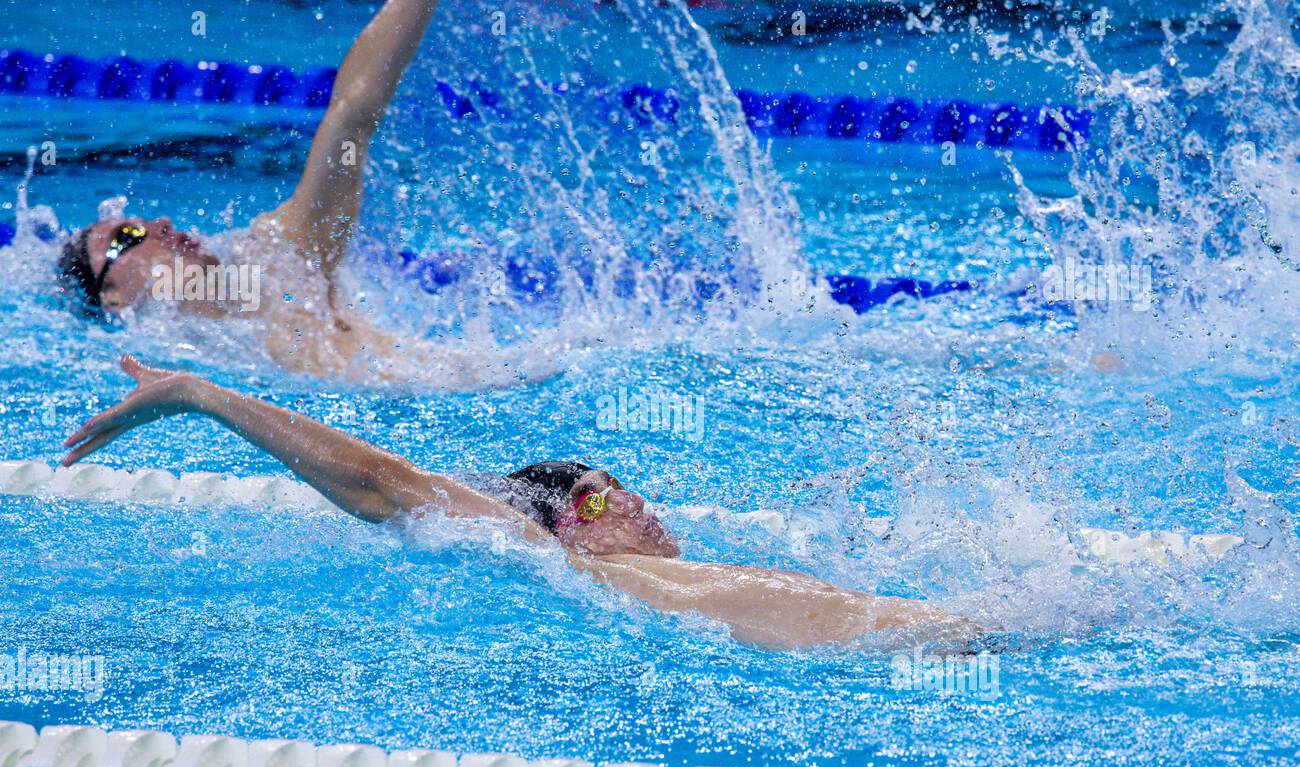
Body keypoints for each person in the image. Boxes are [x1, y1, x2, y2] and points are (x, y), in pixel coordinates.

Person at [60, 354, 978, 651]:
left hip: (914, 632)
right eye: (590, 500)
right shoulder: (546, 559)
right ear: (547, 528)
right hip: (904, 643)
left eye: (619, 488)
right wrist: (206, 398)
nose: (631, 509)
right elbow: (386, 484)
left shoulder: (655, 575)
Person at [54, 1, 474, 384]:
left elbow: (351, 115)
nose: (160, 224)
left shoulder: (281, 261)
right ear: (115, 299)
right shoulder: (196, 374)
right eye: (127, 237)